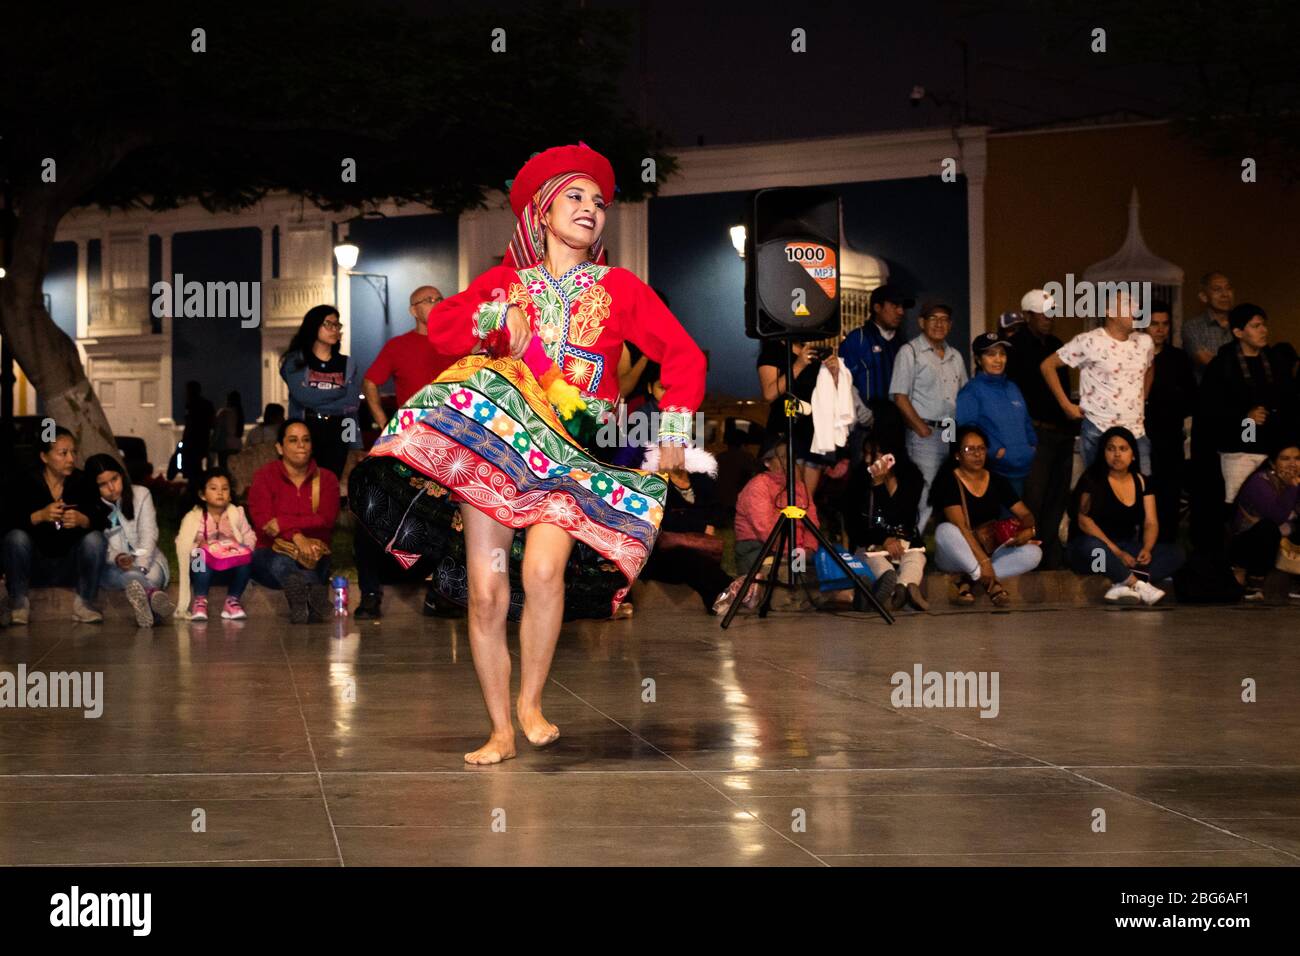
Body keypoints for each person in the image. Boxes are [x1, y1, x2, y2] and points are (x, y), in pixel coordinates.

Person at [348, 143, 706, 765]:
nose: (591, 208)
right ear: (541, 211)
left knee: (542, 572)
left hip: (570, 456)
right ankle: (499, 731)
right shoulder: (504, 281)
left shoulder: (619, 288)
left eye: (598, 201)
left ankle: (532, 702)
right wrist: (499, 309)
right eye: (576, 196)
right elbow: (444, 330)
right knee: (486, 593)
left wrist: (673, 425)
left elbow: (685, 356)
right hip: (498, 447)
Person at [1066, 426, 1184, 605]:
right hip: (1096, 553)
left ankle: (1121, 583)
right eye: (1111, 449)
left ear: (1133, 454)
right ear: (1103, 453)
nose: (1117, 454)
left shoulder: (1142, 482)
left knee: (1176, 553)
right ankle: (1138, 585)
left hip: (1127, 548)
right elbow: (1084, 522)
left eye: (1123, 449)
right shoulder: (1092, 478)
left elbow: (1151, 522)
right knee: (1093, 548)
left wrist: (1147, 548)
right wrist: (1117, 553)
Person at [2, 427, 107, 624]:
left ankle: (85, 603)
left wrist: (83, 520)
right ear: (44, 457)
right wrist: (38, 516)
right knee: (15, 538)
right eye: (63, 453)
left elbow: (102, 518)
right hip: (34, 565)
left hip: (70, 564)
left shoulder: (82, 481)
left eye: (73, 452)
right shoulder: (24, 481)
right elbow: (7, 520)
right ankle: (18, 604)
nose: (71, 459)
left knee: (95, 539)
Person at [1041, 290, 1154, 472]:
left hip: (1136, 431)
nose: (1135, 308)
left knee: (1142, 488)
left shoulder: (1144, 342)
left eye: (1136, 304)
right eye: (1128, 304)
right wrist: (1066, 405)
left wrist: (1143, 397)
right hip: (1098, 429)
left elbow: (1149, 367)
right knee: (1097, 491)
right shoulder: (1089, 341)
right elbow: (1048, 366)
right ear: (1109, 311)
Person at [930, 424, 1041, 607]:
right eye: (970, 449)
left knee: (1034, 553)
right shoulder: (949, 481)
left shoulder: (996, 480)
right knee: (946, 530)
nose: (977, 454)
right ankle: (990, 582)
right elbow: (962, 528)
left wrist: (1029, 530)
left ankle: (970, 579)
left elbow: (1025, 513)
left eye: (981, 448)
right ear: (957, 455)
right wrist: (983, 562)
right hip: (957, 552)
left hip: (989, 548)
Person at [1201, 304, 1297, 504]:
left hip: (1271, 448)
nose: (1264, 330)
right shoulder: (1223, 365)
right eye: (1256, 326)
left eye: (1263, 325)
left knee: (1271, 503)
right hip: (1239, 448)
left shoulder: (1274, 361)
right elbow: (1211, 409)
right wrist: (1245, 417)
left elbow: (1288, 401)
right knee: (1240, 504)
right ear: (1238, 332)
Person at [247, 419, 340, 623]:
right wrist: (296, 536)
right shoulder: (264, 477)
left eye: (306, 440)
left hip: (314, 553)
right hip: (271, 551)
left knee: (306, 563)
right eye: (293, 440)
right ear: (279, 448)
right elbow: (263, 522)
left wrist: (282, 522)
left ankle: (303, 600)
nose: (301, 445)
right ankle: (313, 592)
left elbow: (326, 519)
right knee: (281, 560)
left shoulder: (327, 479)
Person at [1006, 289, 1074, 569]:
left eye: (1051, 313)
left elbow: (1065, 389)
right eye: (1043, 313)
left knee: (1057, 496)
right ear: (1027, 315)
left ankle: (1048, 554)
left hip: (1061, 430)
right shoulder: (1015, 347)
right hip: (1034, 432)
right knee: (1034, 497)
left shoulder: (1057, 344)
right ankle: (1027, 555)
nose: (1049, 318)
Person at [890, 301, 968, 531]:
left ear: (951, 325)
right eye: (933, 318)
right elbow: (899, 395)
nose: (939, 324)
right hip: (924, 431)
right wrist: (920, 428)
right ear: (921, 322)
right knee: (923, 491)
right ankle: (913, 545)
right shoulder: (910, 352)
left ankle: (941, 545)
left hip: (951, 429)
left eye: (944, 319)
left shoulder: (955, 356)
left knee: (950, 487)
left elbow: (963, 394)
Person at [84, 453, 174, 628]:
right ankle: (153, 601)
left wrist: (140, 566)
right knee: (125, 576)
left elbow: (149, 533)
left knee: (149, 574)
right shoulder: (92, 508)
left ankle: (147, 599)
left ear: (122, 475)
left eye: (114, 479)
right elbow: (101, 546)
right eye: (103, 484)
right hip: (114, 568)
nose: (112, 487)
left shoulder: (141, 494)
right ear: (94, 487)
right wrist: (118, 558)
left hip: (148, 560)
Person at [844, 433, 928, 611]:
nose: (868, 459)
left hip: (903, 542)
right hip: (870, 545)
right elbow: (855, 526)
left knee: (915, 558)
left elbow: (899, 518)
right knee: (881, 566)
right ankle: (891, 592)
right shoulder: (858, 481)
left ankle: (904, 588)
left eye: (873, 453)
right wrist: (883, 539)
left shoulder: (911, 478)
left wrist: (881, 486)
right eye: (865, 453)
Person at [279, 305, 360, 477]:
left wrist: (354, 443)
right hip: (305, 430)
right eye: (328, 324)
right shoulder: (296, 361)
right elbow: (303, 397)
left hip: (339, 432)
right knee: (303, 485)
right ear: (313, 326)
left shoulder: (347, 363)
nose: (334, 329)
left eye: (336, 325)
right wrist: (339, 392)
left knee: (329, 486)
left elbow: (352, 405)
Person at [362, 285, 452, 433]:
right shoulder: (397, 346)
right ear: (413, 311)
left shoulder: (458, 342)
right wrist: (386, 426)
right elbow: (369, 383)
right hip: (413, 432)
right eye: (429, 300)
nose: (436, 304)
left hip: (454, 432)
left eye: (439, 300)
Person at [757, 339, 840, 498]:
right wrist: (798, 365)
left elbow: (827, 396)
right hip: (784, 432)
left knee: (806, 502)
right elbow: (769, 394)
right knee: (784, 499)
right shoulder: (773, 352)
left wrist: (834, 374)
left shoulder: (811, 352)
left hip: (811, 434)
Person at [956, 332, 1037, 496]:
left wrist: (1032, 445)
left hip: (1025, 468)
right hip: (996, 472)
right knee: (1001, 521)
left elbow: (1026, 421)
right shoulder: (971, 391)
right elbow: (966, 430)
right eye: (991, 354)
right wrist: (995, 452)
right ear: (979, 359)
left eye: (1002, 354)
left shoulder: (1012, 387)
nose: (998, 359)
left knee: (1022, 519)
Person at [1142, 301, 1196, 542]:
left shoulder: (1178, 358)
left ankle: (1167, 552)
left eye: (1165, 324)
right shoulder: (1131, 356)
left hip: (1170, 439)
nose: (1160, 329)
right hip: (1140, 438)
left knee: (1169, 498)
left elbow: (1191, 397)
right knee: (1141, 494)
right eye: (1155, 324)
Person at [176, 467, 258, 621]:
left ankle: (232, 602)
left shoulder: (236, 513)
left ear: (230, 494)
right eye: (213, 488)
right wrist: (199, 546)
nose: (220, 493)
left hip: (230, 566)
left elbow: (249, 535)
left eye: (225, 489)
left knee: (247, 556)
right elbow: (181, 543)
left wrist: (242, 547)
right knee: (198, 555)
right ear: (202, 495)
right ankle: (200, 601)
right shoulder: (194, 517)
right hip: (202, 570)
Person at [839, 284, 913, 451]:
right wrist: (865, 416)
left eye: (902, 307)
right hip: (865, 430)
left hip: (899, 427)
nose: (900, 312)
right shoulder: (857, 339)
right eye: (894, 306)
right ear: (877, 307)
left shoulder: (904, 345)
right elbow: (843, 381)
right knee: (865, 475)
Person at [1228, 442, 1300, 600]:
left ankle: (1296, 580)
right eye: (1285, 459)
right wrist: (1292, 488)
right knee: (1268, 528)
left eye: (1297, 458)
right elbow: (1275, 516)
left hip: (1284, 535)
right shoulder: (1260, 482)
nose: (1293, 464)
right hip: (1248, 540)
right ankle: (1254, 580)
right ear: (1273, 462)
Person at [1183, 272, 1235, 383]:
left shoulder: (1241, 324)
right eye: (1217, 289)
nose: (1225, 294)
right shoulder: (1193, 326)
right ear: (1204, 297)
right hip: (1208, 393)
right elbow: (1207, 361)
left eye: (1228, 288)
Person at [181, 380, 215, 486]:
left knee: (193, 467)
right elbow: (212, 423)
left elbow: (189, 424)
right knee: (199, 465)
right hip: (203, 439)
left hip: (193, 440)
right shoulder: (206, 404)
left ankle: (195, 486)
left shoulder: (191, 404)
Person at [210, 390, 245, 469]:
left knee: (224, 470)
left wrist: (212, 443)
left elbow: (217, 431)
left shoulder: (223, 413)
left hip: (225, 446)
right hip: (237, 446)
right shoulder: (239, 413)